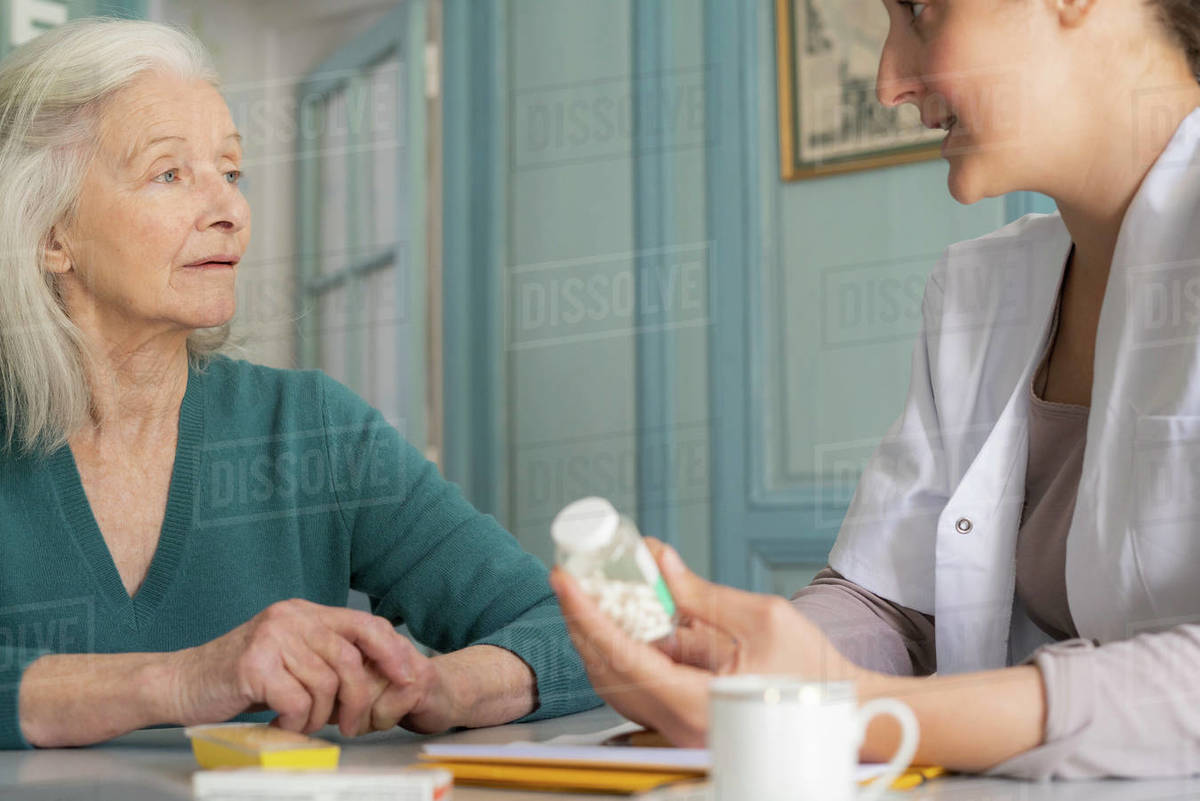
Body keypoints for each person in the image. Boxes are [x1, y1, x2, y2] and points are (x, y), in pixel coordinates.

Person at [552, 0, 1200, 780]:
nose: (889, 80)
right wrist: (737, 669)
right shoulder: (979, 291)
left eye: (921, 11)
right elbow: (889, 600)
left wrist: (845, 714)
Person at [0, 17, 600, 750]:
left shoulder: (315, 429)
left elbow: (571, 628)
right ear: (52, 234)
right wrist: (182, 680)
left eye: (230, 172)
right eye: (168, 173)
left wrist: (439, 684)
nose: (230, 211)